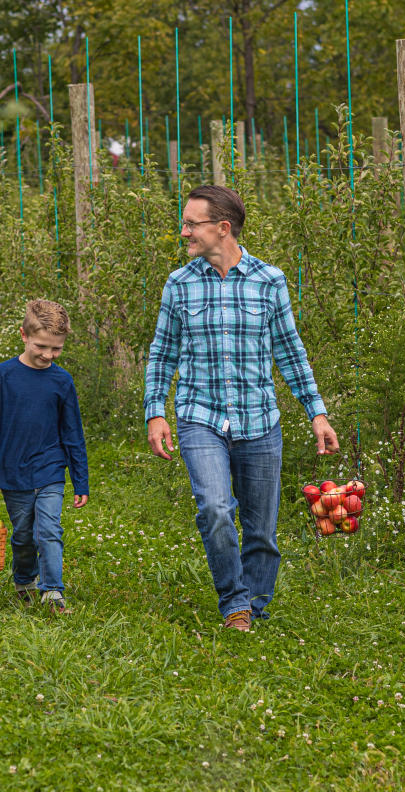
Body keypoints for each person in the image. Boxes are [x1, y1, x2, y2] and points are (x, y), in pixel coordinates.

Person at [144, 185, 339, 632]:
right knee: (214, 509)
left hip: (259, 421)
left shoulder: (269, 281)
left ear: (223, 228)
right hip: (200, 416)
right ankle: (234, 604)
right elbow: (162, 353)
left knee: (261, 532)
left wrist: (317, 413)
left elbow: (291, 353)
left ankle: (256, 607)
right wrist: (156, 411)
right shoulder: (180, 284)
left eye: (192, 224)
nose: (184, 232)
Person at [0, 300, 89, 613]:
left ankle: (53, 592)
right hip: (14, 473)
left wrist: (80, 480)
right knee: (23, 536)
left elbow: (73, 435)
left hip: (50, 470)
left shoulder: (62, 382)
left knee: (48, 531)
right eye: (42, 346)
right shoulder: (4, 375)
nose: (48, 355)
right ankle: (25, 580)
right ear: (23, 335)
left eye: (57, 349)